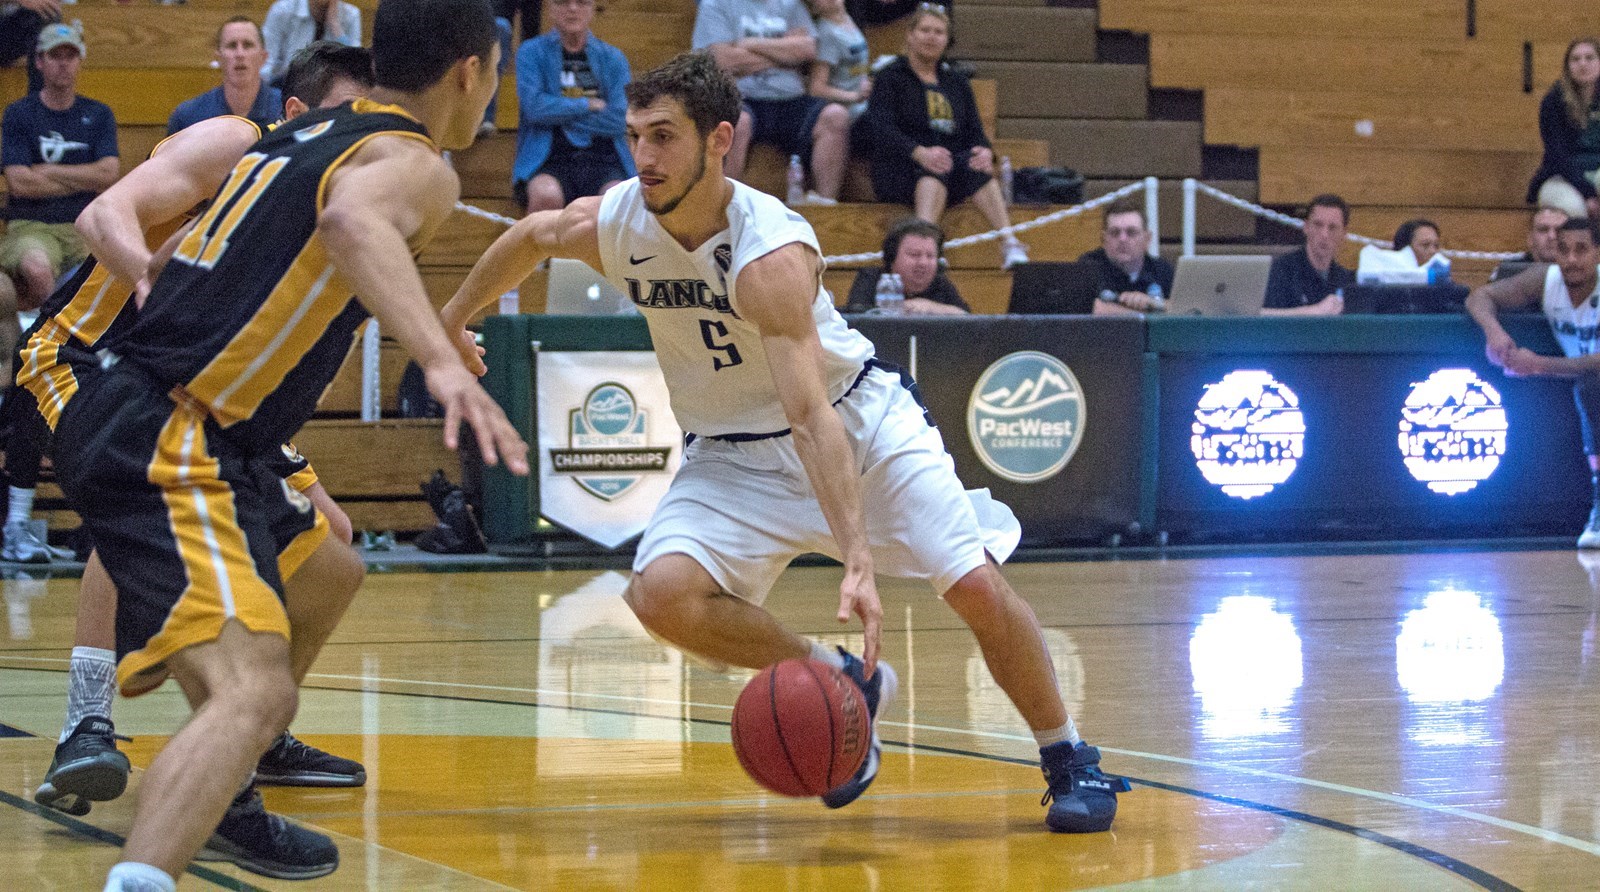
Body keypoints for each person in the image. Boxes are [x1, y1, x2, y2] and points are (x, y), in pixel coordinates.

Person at [441, 51, 1129, 834]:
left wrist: (859, 560)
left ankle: (1067, 753)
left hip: (855, 426)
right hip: (730, 454)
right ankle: (839, 677)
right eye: (635, 136)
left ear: (719, 140)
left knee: (970, 582)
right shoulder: (623, 218)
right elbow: (533, 235)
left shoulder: (769, 252)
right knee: (659, 594)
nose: (646, 156)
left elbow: (811, 417)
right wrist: (453, 318)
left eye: (665, 137)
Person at [59, 1, 528, 888]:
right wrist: (444, 364)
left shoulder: (302, 135)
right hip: (175, 432)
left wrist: (434, 326)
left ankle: (222, 784)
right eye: (494, 77)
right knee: (257, 690)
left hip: (163, 419)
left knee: (329, 569)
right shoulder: (418, 164)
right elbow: (355, 226)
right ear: (469, 72)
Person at [25, 47, 376, 856]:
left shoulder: (324, 203)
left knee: (333, 561)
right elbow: (100, 215)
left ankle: (251, 726)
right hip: (87, 354)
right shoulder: (234, 141)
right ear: (293, 118)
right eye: (340, 123)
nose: (355, 145)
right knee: (140, 494)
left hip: (195, 391)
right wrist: (153, 284)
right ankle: (86, 723)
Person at [855, 5, 1030, 269]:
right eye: (925, 30)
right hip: (900, 167)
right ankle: (929, 248)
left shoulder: (957, 82)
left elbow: (975, 132)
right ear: (910, 36)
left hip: (948, 165)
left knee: (977, 169)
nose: (931, 37)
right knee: (934, 171)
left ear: (947, 40)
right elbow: (880, 128)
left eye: (939, 32)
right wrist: (920, 153)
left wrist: (984, 152)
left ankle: (1009, 243)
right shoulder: (889, 77)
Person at [1466, 217, 1600, 548]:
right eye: (1563, 250)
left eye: (1581, 250)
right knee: (1589, 389)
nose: (1570, 259)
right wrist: (1493, 332)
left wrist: (1538, 364)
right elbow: (1479, 297)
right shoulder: (1546, 279)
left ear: (1598, 253)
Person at [0, 21, 117, 385]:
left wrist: (48, 171)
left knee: (116, 275)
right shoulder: (19, 114)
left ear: (80, 61)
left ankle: (93, 367)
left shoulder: (99, 115)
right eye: (55, 56)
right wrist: (82, 175)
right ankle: (40, 352)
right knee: (36, 271)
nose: (63, 63)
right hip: (32, 227)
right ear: (39, 62)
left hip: (86, 225)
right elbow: (19, 182)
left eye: (70, 56)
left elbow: (109, 174)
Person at [692, 0, 849, 205]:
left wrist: (749, 44)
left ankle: (826, 205)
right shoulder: (716, 4)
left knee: (836, 115)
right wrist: (783, 55)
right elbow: (722, 60)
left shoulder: (791, 4)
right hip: (739, 96)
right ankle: (724, 204)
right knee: (735, 122)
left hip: (791, 99)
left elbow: (807, 50)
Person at [513, 0, 633, 213]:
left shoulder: (613, 58)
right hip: (550, 157)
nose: (573, 8)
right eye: (563, 2)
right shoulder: (530, 53)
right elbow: (534, 109)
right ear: (549, 8)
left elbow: (619, 119)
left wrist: (558, 113)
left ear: (592, 7)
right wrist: (586, 104)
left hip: (604, 158)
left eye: (581, 2)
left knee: (615, 200)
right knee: (545, 195)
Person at [166, 17, 283, 134]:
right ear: (218, 58)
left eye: (247, 45)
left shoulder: (286, 110)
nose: (240, 54)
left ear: (263, 57)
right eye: (232, 46)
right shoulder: (188, 117)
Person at [1528, 37, 1600, 220]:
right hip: (1564, 177)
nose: (1582, 64)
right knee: (1574, 209)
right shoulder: (1553, 102)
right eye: (1575, 59)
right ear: (1567, 66)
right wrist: (1588, 194)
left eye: (1589, 58)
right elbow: (1557, 156)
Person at [842, 216, 967, 313]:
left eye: (930, 256)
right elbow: (857, 315)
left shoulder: (940, 283)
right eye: (914, 255)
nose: (923, 263)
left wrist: (932, 307)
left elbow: (967, 317)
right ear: (892, 257)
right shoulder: (871, 278)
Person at [1261, 193, 1355, 316]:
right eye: (1318, 225)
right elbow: (1261, 315)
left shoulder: (1345, 281)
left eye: (1332, 228)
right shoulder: (1281, 271)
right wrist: (1315, 311)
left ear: (1344, 233)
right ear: (1306, 227)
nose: (1324, 234)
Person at [1077, 198, 1174, 316]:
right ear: (1104, 239)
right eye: (1114, 233)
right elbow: (1096, 310)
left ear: (1147, 239)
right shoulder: (1088, 267)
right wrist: (1152, 313)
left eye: (1131, 232)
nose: (1122, 239)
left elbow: (1185, 310)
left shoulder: (1163, 270)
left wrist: (1152, 302)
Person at [262, 0, 361, 86]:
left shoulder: (351, 15)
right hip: (283, 86)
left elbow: (355, 70)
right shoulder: (282, 10)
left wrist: (335, 26)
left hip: (328, 93)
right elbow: (266, 63)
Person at [806, 0, 869, 123]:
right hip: (845, 112)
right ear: (814, 7)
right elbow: (816, 88)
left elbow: (856, 63)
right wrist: (855, 96)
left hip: (863, 104)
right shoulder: (826, 33)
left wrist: (865, 81)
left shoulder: (849, 18)